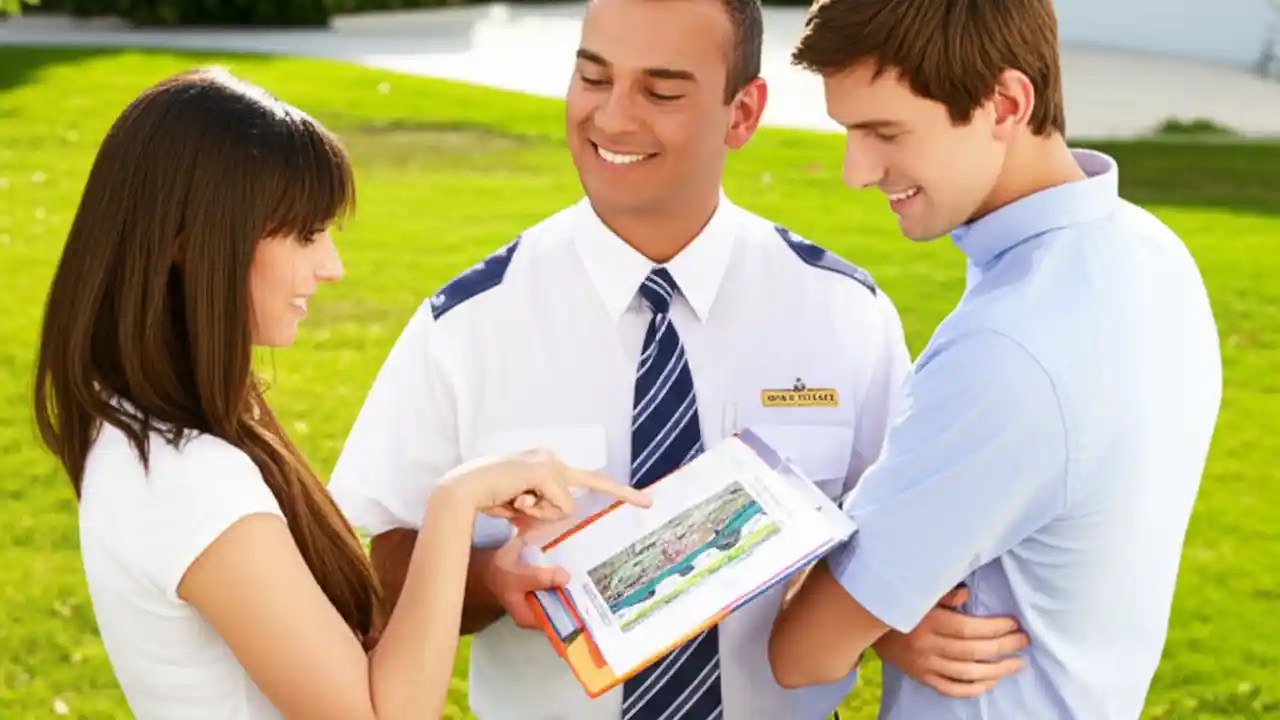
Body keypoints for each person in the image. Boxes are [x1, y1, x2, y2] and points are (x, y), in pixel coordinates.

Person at [326, 0, 1030, 717]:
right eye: (593, 79)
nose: (612, 118)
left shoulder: (844, 314)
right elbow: (388, 561)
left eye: (660, 92)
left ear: (742, 114)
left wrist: (895, 627)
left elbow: (900, 532)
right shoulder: (466, 324)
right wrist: (488, 580)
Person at [32, 68, 649, 720]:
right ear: (191, 242)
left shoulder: (147, 431)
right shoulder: (188, 480)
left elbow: (351, 651)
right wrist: (455, 501)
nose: (331, 266)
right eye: (304, 235)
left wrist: (489, 571)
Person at [767, 1, 1223, 718]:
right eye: (849, 130)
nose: (856, 171)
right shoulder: (1153, 253)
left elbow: (804, 652)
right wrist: (891, 614)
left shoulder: (1008, 351)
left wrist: (872, 618)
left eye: (885, 132)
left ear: (1005, 104)